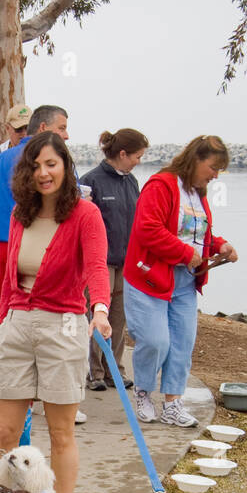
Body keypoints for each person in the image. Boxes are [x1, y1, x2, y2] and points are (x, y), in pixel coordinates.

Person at [0, 132, 111, 493]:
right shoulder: (19, 213)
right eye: (35, 166)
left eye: (51, 164)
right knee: (5, 435)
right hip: (17, 326)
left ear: (65, 166)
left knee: (61, 434)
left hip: (63, 326)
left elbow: (96, 268)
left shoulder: (85, 214)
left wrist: (101, 310)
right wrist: (1, 327)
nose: (43, 173)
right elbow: (10, 278)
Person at [123, 134, 238, 427]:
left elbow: (198, 234)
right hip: (150, 276)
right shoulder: (161, 185)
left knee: (182, 343)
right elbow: (147, 229)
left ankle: (173, 402)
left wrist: (219, 246)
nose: (215, 175)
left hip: (185, 281)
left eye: (219, 170)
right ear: (195, 159)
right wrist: (185, 252)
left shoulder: (198, 192)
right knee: (155, 340)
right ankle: (144, 391)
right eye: (213, 167)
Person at [0, 104, 70, 328]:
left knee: (4, 310)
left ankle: (3, 354)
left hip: (3, 246)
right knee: (44, 312)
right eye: (62, 128)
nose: (66, 135)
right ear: (44, 128)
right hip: (44, 247)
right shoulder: (58, 163)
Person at [81, 127, 149, 390]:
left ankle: (114, 369)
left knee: (119, 319)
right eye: (137, 156)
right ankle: (94, 371)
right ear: (122, 154)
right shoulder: (92, 181)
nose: (138, 162)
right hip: (101, 262)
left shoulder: (131, 182)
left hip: (126, 261)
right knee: (98, 314)